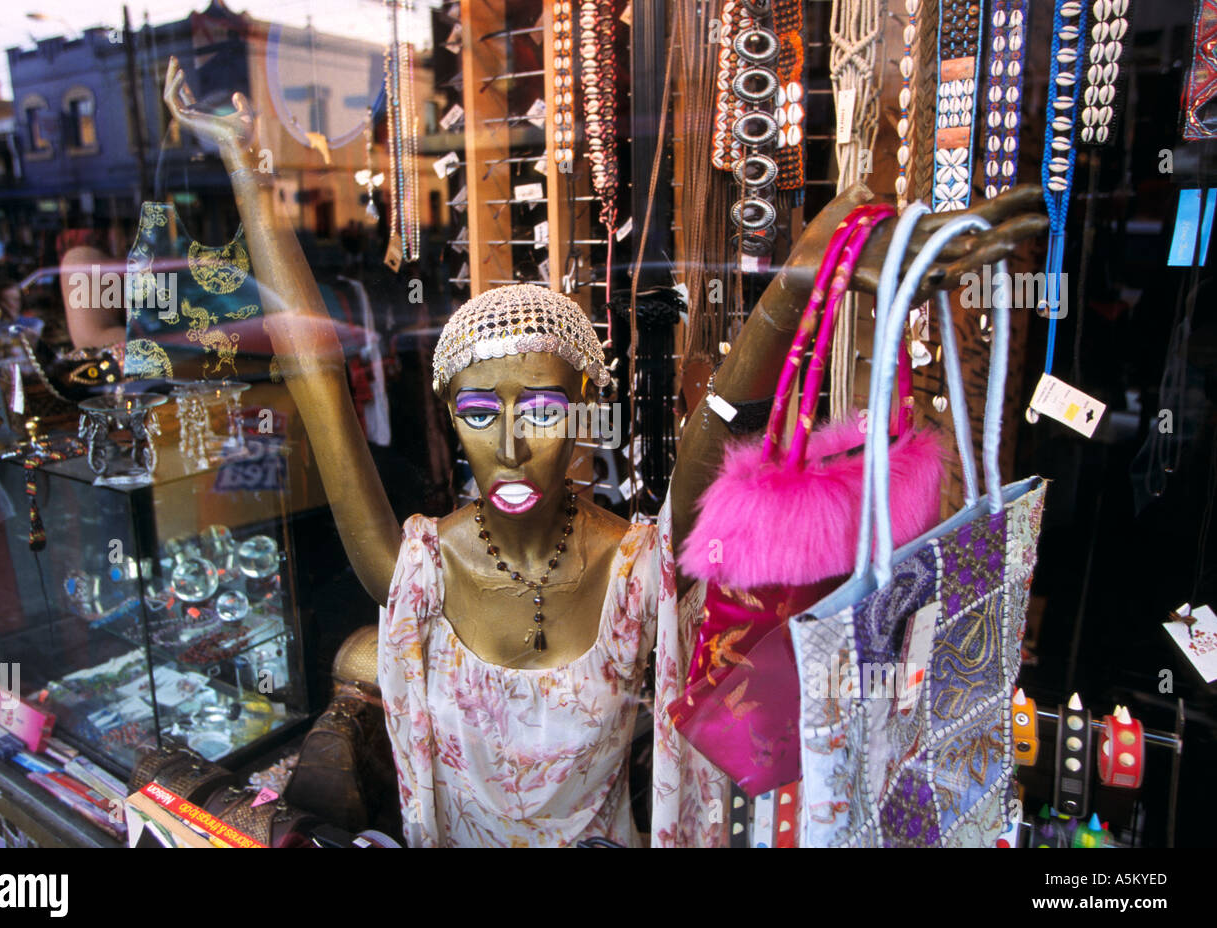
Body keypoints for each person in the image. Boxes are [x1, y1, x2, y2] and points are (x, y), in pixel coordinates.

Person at [163, 56, 1047, 847]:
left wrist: (801, 278)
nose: (510, 445)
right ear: (449, 414)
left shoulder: (633, 573)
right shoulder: (418, 568)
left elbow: (718, 425)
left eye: (542, 409)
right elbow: (314, 372)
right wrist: (247, 163)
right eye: (479, 412)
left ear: (584, 411)